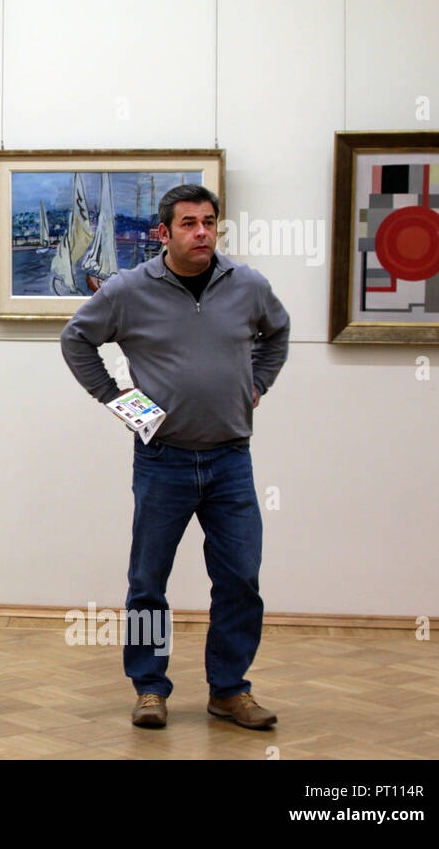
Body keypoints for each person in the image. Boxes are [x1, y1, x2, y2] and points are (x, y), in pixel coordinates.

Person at [59, 183, 290, 730]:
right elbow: (76, 339)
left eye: (209, 221)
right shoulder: (128, 290)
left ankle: (230, 691)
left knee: (240, 580)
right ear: (164, 233)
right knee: (148, 582)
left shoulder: (248, 285)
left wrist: (256, 383)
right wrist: (117, 400)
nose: (202, 232)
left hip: (232, 459)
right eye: (189, 223)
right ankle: (149, 689)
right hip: (162, 459)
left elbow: (277, 334)